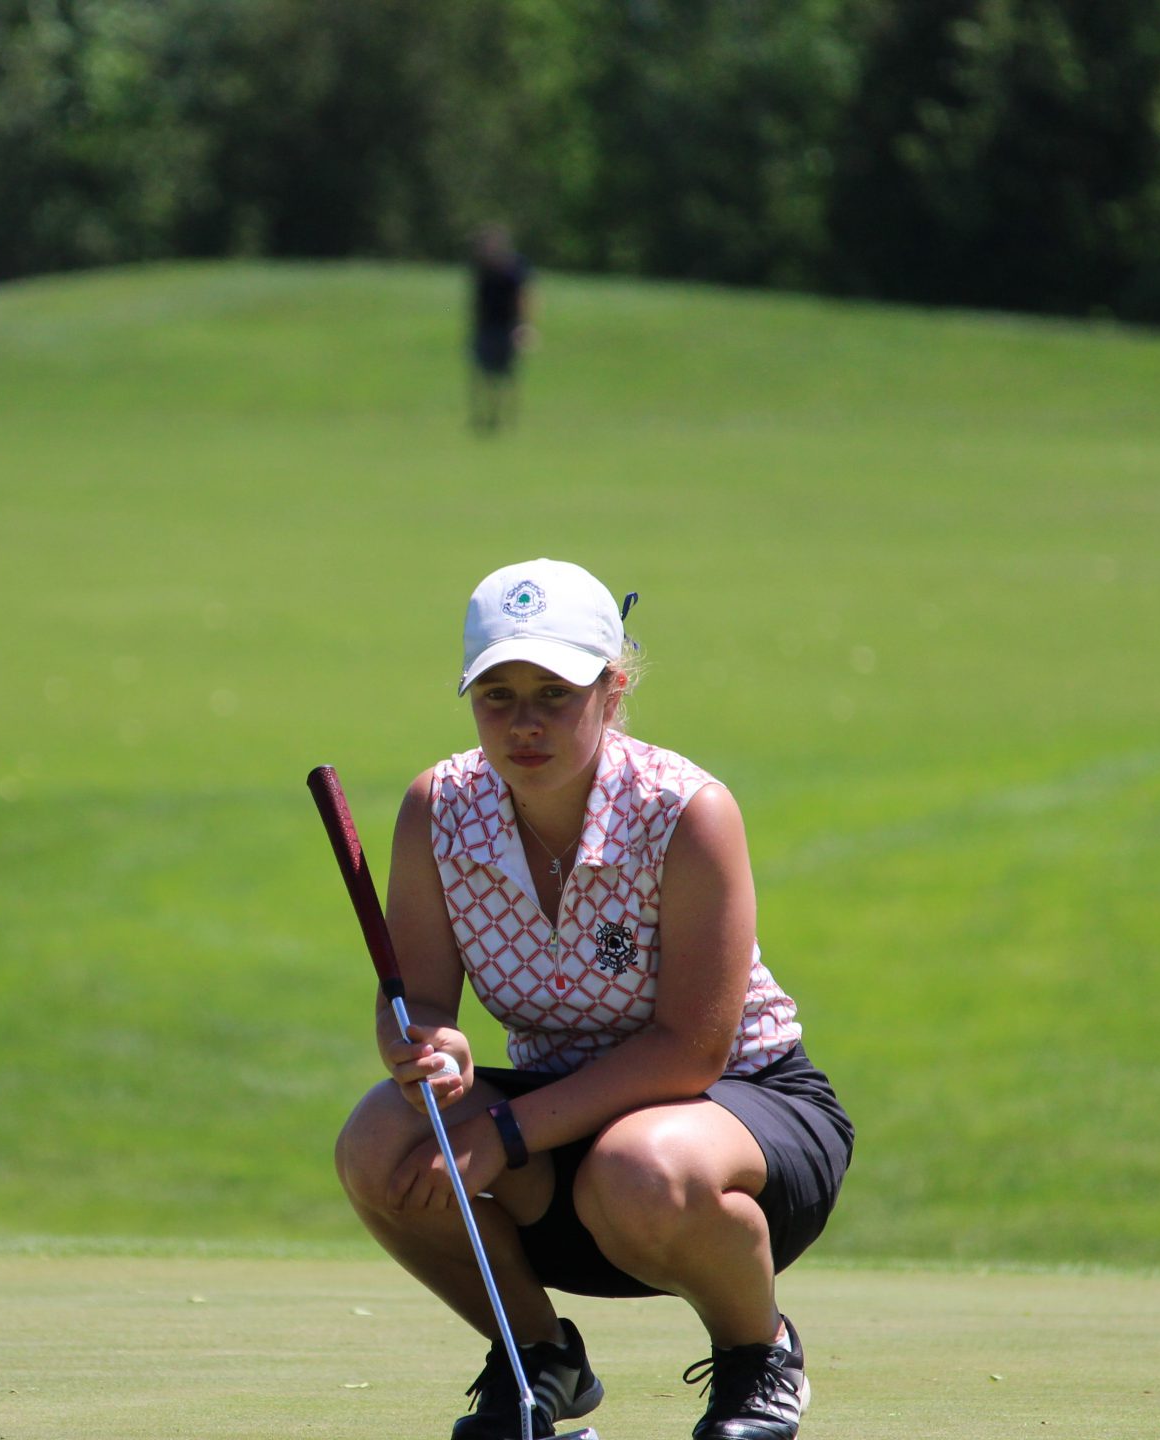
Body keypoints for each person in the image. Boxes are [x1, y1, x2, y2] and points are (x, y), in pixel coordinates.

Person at [334, 558, 853, 1440]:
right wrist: (422, 1043)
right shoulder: (439, 808)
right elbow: (419, 1000)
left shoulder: (687, 811)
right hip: (564, 1128)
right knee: (378, 1142)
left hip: (734, 1116)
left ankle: (757, 1360)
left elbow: (691, 1049)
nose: (523, 722)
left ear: (611, 693)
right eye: (496, 694)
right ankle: (541, 1362)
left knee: (639, 1164)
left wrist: (501, 1134)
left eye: (554, 693)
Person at [467, 225, 535, 435]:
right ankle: (484, 416)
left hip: (507, 327)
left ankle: (508, 417)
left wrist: (524, 326)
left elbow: (524, 296)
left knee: (508, 375)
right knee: (482, 374)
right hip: (485, 327)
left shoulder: (514, 268)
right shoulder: (481, 268)